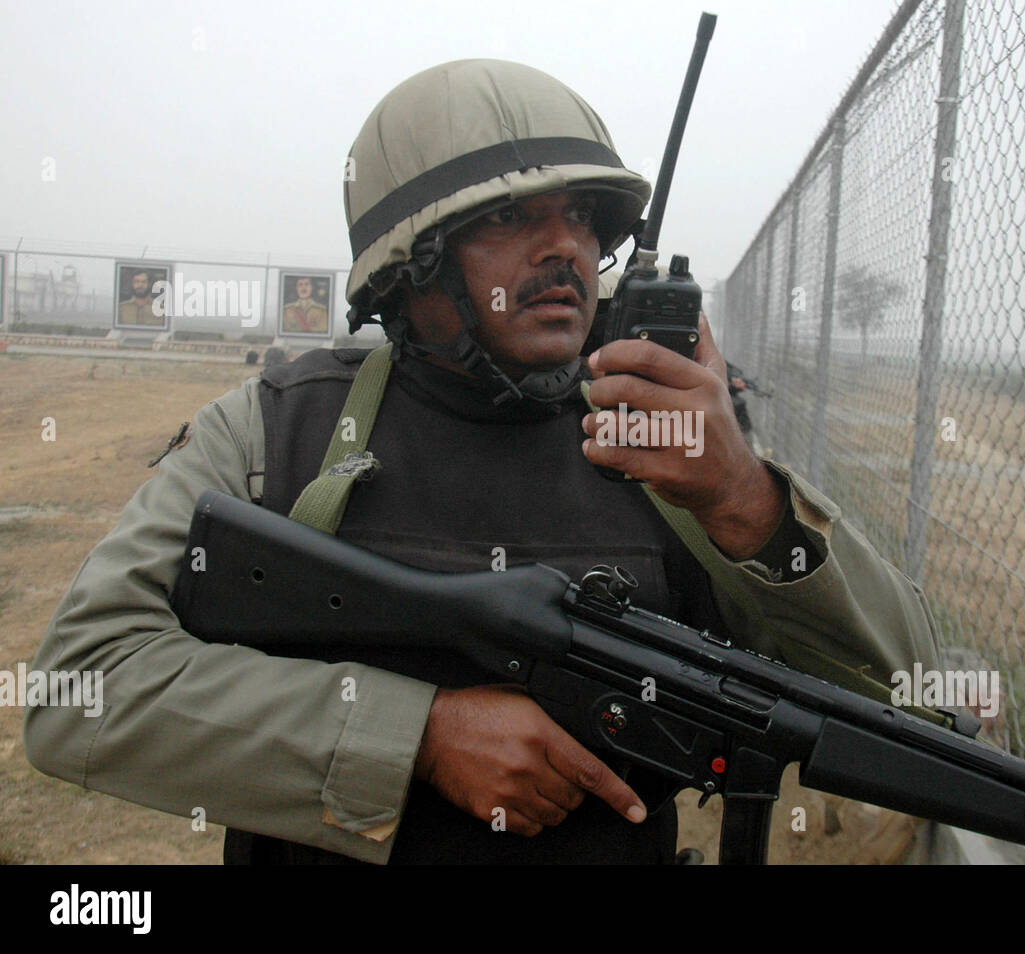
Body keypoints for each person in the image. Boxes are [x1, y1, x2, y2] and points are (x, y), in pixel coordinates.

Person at [25, 59, 944, 864]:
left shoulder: (669, 451)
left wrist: (745, 499)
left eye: (583, 216)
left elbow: (915, 703)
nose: (566, 248)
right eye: (511, 217)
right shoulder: (278, 435)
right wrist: (412, 737)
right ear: (408, 266)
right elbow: (86, 685)